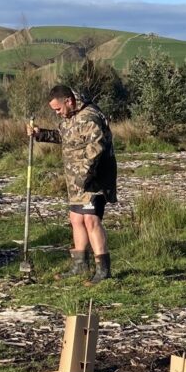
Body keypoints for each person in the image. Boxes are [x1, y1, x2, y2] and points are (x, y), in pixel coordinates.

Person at [26, 85, 117, 283]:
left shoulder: (90, 116)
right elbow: (65, 136)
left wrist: (84, 172)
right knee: (76, 218)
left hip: (93, 179)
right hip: (74, 181)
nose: (58, 113)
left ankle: (103, 271)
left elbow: (97, 147)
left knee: (91, 220)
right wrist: (40, 134)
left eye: (58, 109)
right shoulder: (69, 118)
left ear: (68, 101)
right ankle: (79, 265)